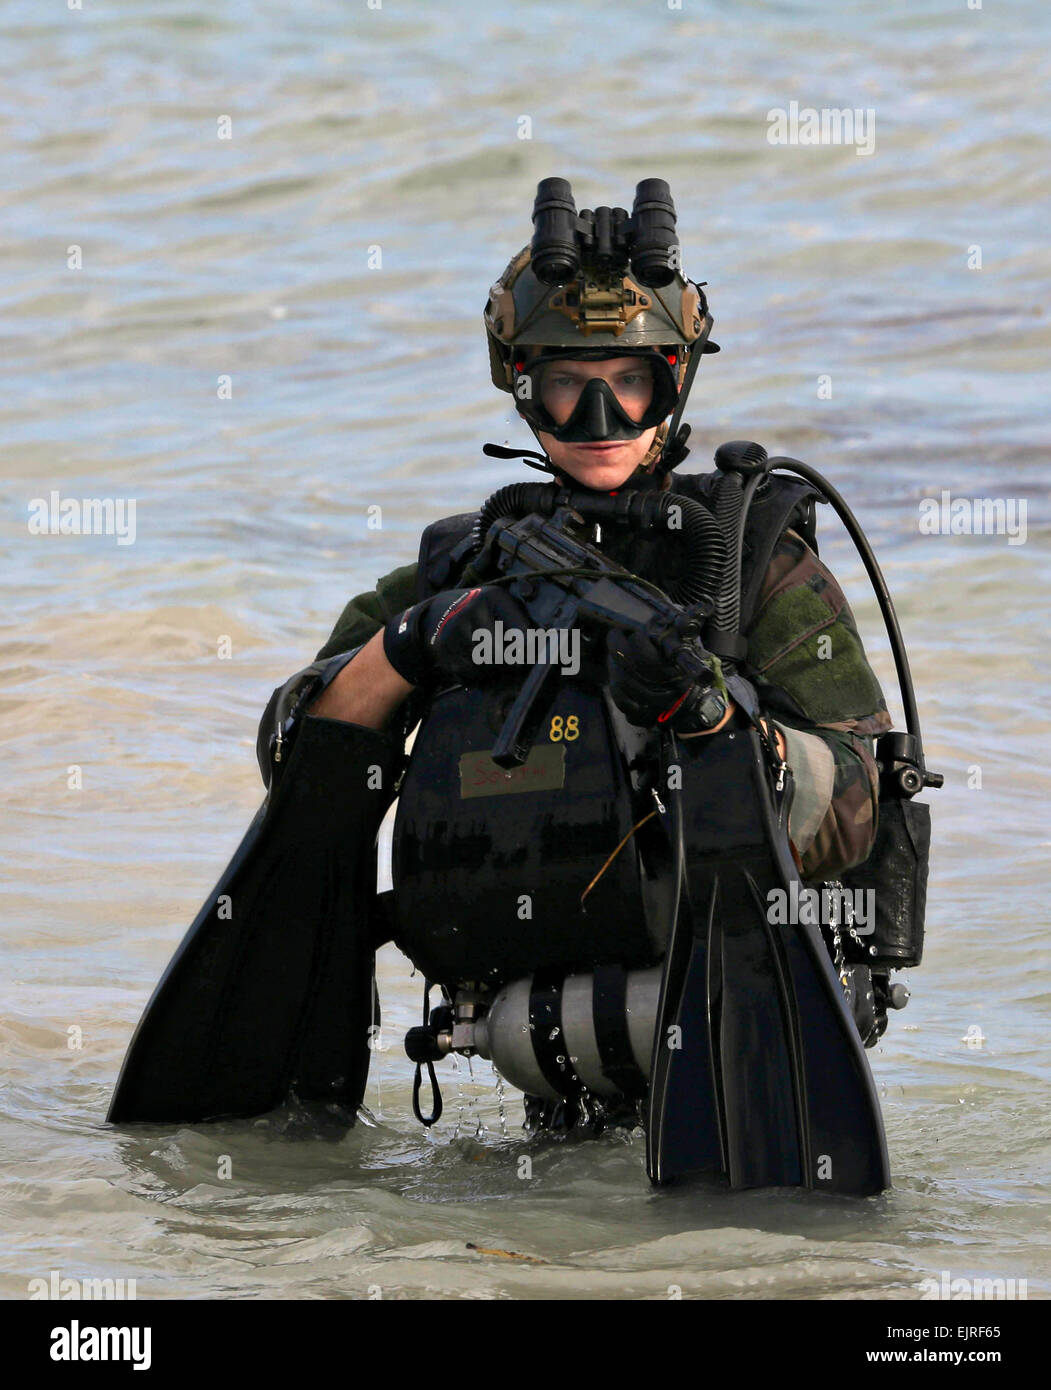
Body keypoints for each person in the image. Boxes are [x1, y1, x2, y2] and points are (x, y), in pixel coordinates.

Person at [111, 179, 919, 1195]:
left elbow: (856, 797)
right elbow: (297, 763)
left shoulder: (754, 563)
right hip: (525, 1062)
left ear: (676, 386)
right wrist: (412, 645)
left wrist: (715, 719)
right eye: (561, 386)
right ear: (518, 386)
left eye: (630, 384)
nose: (596, 417)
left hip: (735, 1039)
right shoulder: (465, 566)